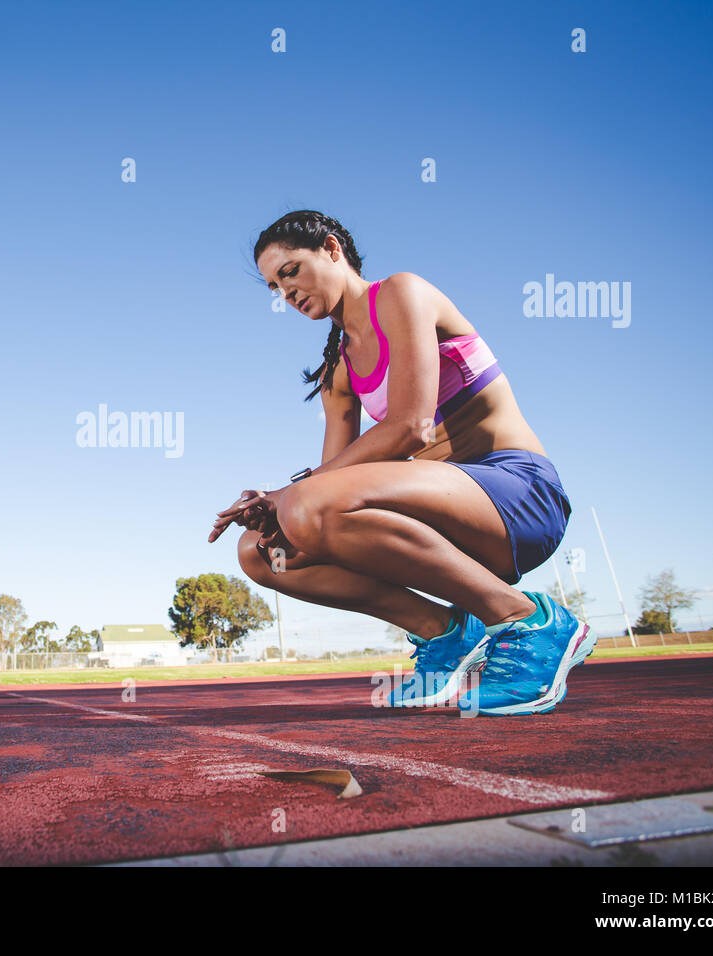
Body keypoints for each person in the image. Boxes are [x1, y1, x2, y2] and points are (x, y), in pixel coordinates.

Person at [208, 210, 594, 715]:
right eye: (275, 287)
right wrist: (278, 511)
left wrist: (289, 496)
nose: (287, 293)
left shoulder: (401, 293)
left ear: (331, 249)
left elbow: (413, 426)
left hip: (517, 499)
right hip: (446, 527)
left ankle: (528, 623)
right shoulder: (337, 372)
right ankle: (446, 633)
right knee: (261, 551)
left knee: (303, 504)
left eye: (291, 271)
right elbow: (333, 484)